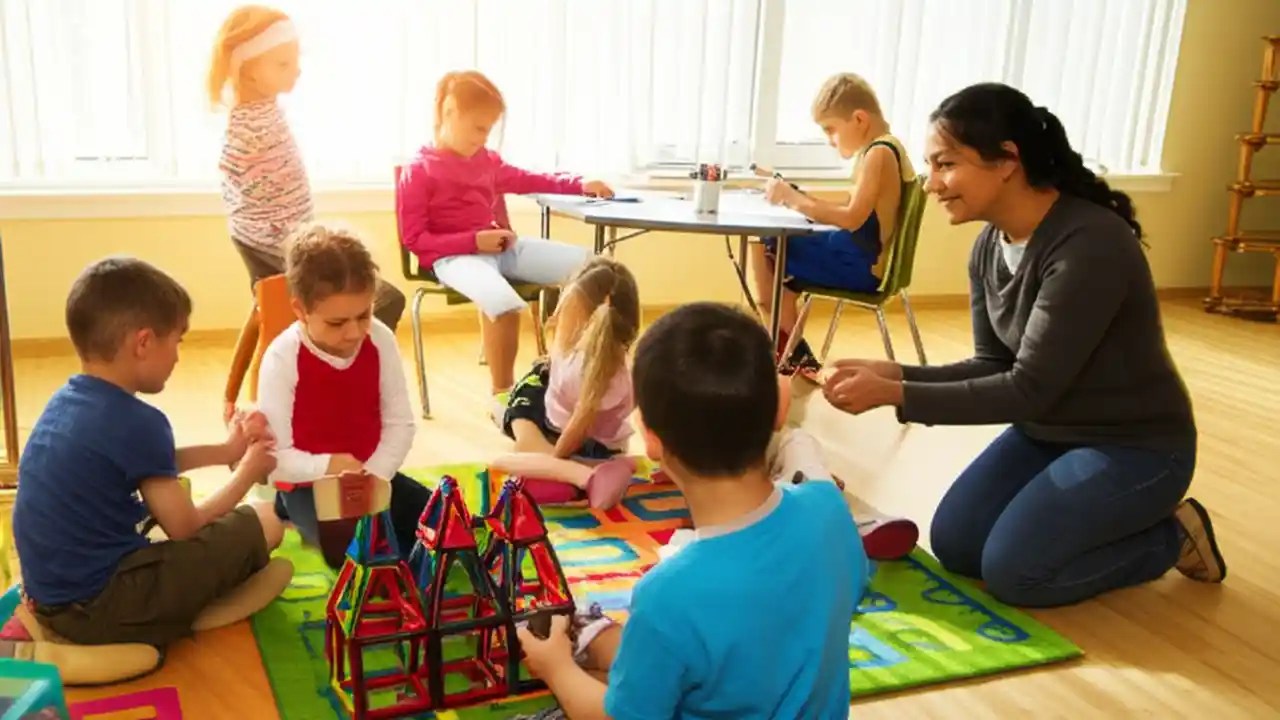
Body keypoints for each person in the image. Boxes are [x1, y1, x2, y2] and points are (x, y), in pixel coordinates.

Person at [822, 82, 1226, 608]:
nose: (932, 183)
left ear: (1007, 160)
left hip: (1135, 446)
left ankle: (1171, 537)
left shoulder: (1089, 245)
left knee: (1018, 575)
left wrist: (897, 394)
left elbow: (1027, 388)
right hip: (1049, 432)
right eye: (930, 165)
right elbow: (993, 364)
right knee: (957, 546)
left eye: (945, 164)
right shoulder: (990, 246)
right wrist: (898, 375)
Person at [517, 302, 867, 719]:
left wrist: (553, 667)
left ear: (651, 440)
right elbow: (766, 627)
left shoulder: (670, 593)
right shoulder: (828, 510)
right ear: (776, 412)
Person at [13, 257, 288, 647]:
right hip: (101, 611)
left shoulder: (67, 400)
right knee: (268, 520)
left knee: (190, 510)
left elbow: (148, 462)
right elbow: (186, 527)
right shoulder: (139, 421)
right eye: (177, 340)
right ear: (143, 343)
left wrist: (226, 449)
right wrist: (247, 471)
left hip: (51, 597)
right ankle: (178, 615)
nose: (177, 355)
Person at [395, 69, 612, 403]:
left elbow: (530, 179)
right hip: (453, 257)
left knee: (597, 269)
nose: (483, 138)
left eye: (489, 130)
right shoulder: (419, 171)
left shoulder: (486, 161)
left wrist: (580, 184)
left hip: (502, 248)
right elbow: (416, 241)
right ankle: (504, 397)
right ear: (450, 112)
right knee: (505, 305)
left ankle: (567, 373)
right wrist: (472, 242)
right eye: (478, 128)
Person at [209, 5, 404, 330]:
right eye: (284, 63)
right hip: (282, 248)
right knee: (384, 301)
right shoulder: (250, 126)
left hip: (288, 241)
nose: (296, 70)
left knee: (373, 291)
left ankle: (345, 370)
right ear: (249, 70)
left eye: (296, 60)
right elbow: (242, 182)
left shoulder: (262, 112)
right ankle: (349, 373)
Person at [256, 223, 428, 567]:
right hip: (309, 485)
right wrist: (330, 466)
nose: (354, 332)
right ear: (300, 310)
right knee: (370, 562)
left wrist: (375, 477)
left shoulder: (379, 339)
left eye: (363, 315)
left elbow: (400, 424)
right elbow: (274, 461)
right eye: (336, 323)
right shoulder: (282, 357)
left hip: (373, 476)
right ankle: (285, 506)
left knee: (449, 530)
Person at [752, 72, 916, 376]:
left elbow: (852, 218)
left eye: (831, 129)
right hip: (857, 256)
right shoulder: (882, 148)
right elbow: (854, 208)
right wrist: (799, 195)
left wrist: (794, 199)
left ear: (859, 119)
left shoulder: (879, 153)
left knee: (769, 243)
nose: (829, 139)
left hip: (860, 266)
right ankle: (789, 346)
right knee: (775, 250)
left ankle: (787, 348)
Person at [491, 257, 641, 510]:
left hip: (558, 434)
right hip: (606, 447)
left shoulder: (573, 364)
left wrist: (557, 465)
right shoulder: (628, 372)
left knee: (505, 448)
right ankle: (600, 468)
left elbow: (572, 428)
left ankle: (582, 475)